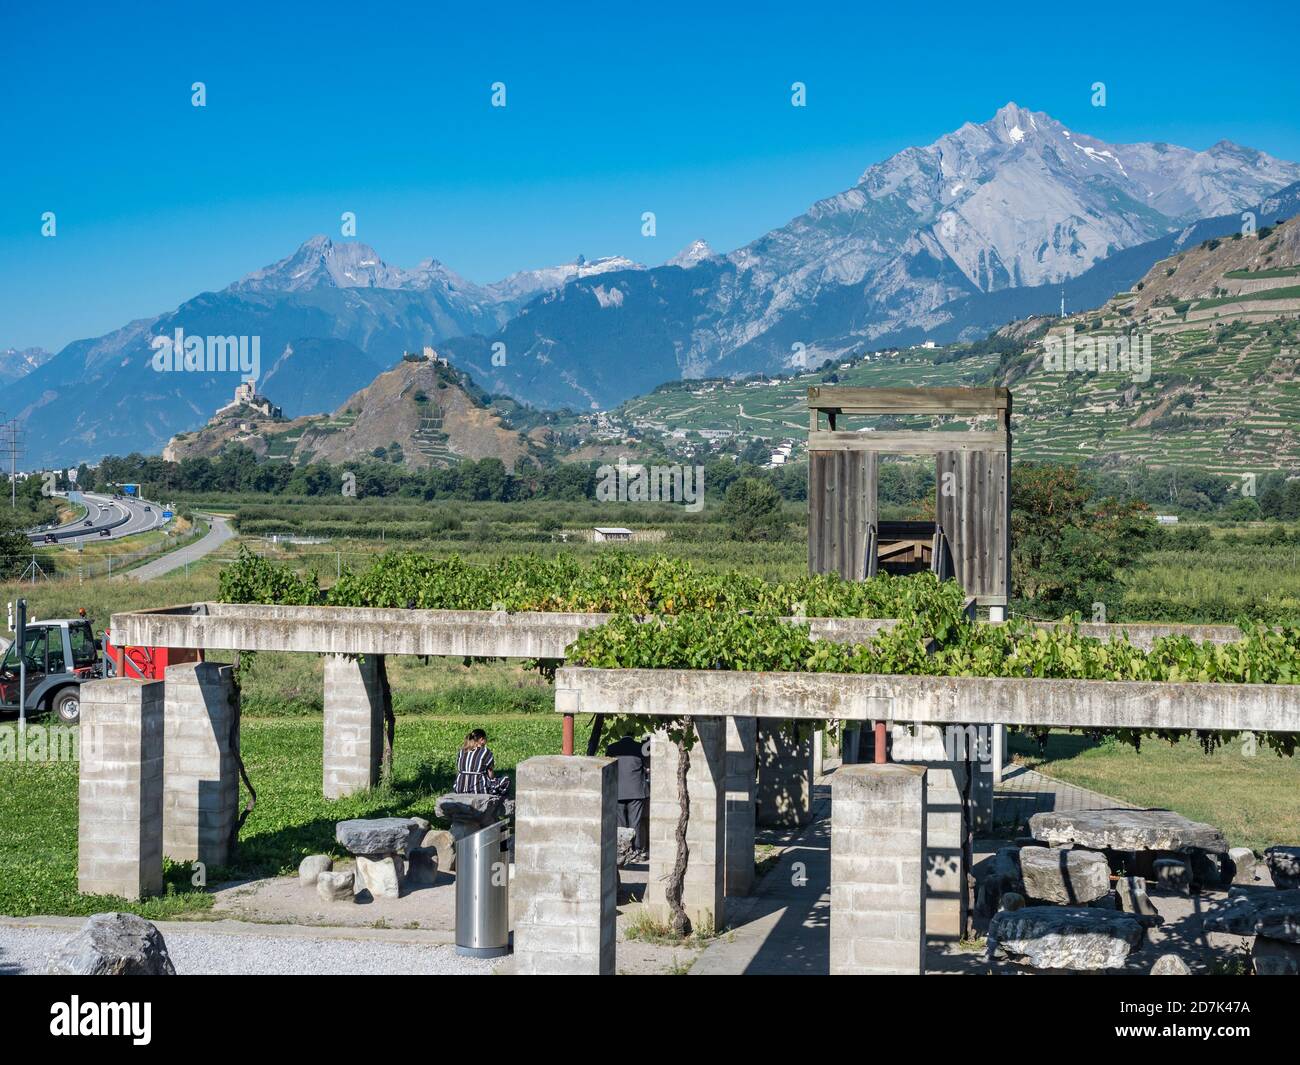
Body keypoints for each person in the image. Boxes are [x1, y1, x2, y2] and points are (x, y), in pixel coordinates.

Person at [605, 734, 649, 859]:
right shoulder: (640, 748)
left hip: (618, 791)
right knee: (635, 822)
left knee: (620, 822)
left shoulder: (611, 748)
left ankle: (622, 850)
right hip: (636, 791)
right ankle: (636, 850)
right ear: (633, 735)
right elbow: (646, 767)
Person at [454, 729, 510, 795]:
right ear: (481, 740)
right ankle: (498, 797)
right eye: (486, 738)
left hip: (459, 788)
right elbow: (490, 773)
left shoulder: (462, 751)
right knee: (506, 780)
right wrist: (492, 780)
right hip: (479, 789)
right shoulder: (486, 752)